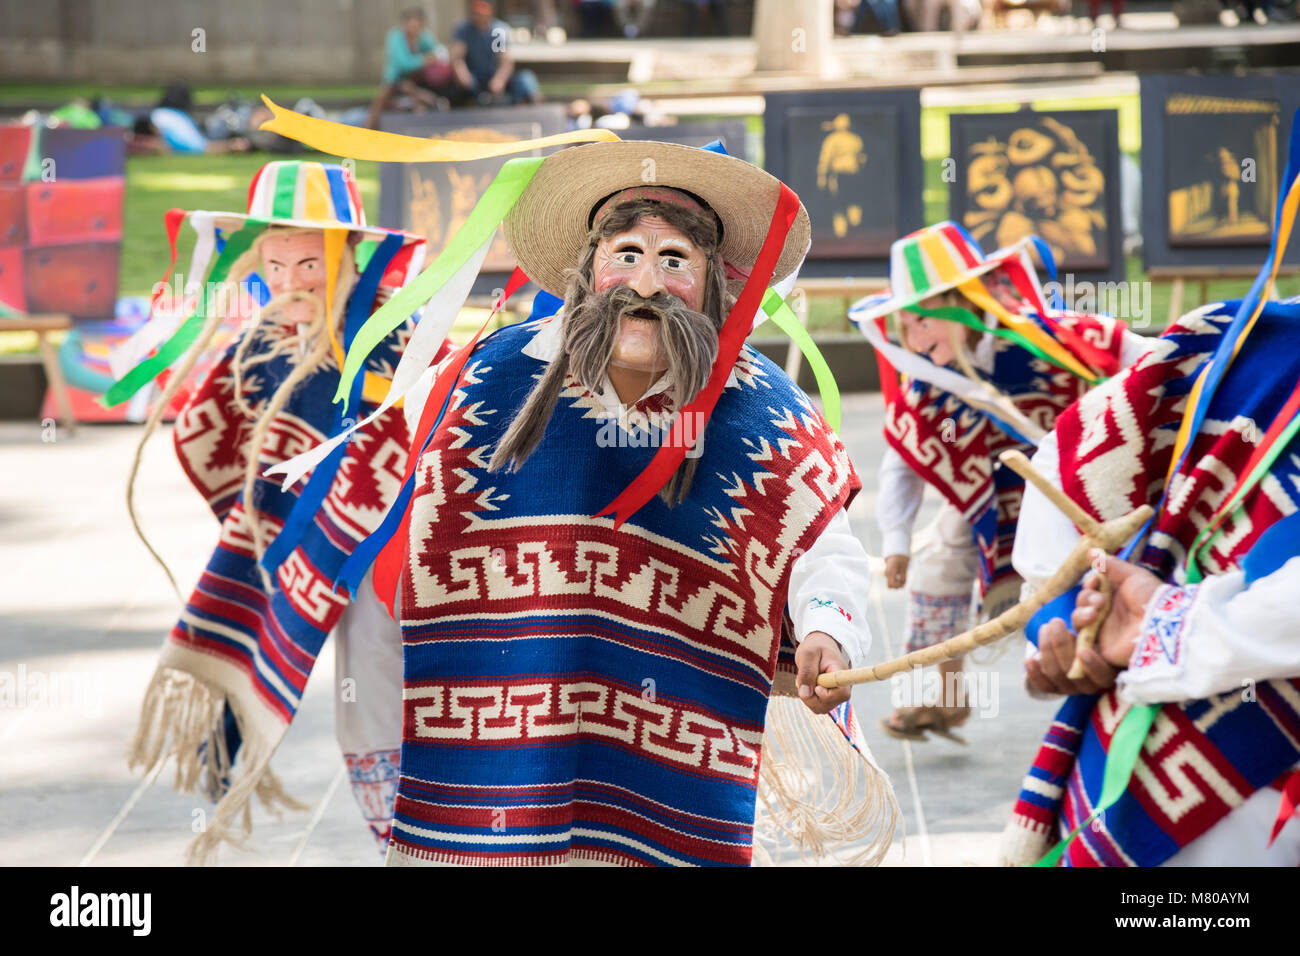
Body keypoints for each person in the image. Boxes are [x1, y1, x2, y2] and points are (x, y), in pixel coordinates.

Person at [262, 125, 901, 865]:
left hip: (675, 750)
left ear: (714, 282)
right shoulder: (494, 381)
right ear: (587, 269)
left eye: (674, 260)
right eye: (626, 255)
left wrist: (826, 628)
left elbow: (823, 546)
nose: (647, 284)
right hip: (505, 738)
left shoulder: (763, 410)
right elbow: (426, 531)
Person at [111, 160, 434, 863]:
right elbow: (210, 432)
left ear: (348, 254)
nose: (292, 278)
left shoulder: (394, 334)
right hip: (295, 545)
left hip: (389, 553)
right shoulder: (255, 343)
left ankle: (419, 828)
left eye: (310, 260)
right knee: (364, 696)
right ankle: (394, 836)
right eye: (277, 261)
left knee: (384, 676)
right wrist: (261, 516)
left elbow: (425, 432)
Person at [1001, 134, 1300, 864]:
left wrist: (1168, 627)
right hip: (1187, 804)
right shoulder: (1244, 355)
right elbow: (1070, 475)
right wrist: (1062, 617)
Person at [849, 222, 1148, 743]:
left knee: (1098, 580)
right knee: (938, 566)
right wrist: (896, 543)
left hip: (1082, 498)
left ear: (957, 301)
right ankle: (947, 699)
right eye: (905, 327)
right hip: (986, 499)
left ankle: (1125, 674)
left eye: (921, 322)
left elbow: (1145, 359)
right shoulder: (929, 379)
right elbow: (902, 456)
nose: (913, 341)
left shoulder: (1062, 340)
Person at [366, 7, 456, 129]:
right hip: (395, 84)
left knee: (426, 102)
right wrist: (427, 59)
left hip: (417, 84)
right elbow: (403, 65)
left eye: (416, 26)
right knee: (382, 99)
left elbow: (440, 52)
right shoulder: (395, 37)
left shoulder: (423, 37)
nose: (413, 29)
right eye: (410, 26)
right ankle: (368, 129)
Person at [451, 1, 542, 106]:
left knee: (526, 79)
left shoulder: (498, 31)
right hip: (474, 80)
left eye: (482, 13)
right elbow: (458, 59)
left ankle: (530, 108)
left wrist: (499, 80)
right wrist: (464, 77)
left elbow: (505, 62)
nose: (479, 17)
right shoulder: (464, 29)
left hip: (493, 78)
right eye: (476, 13)